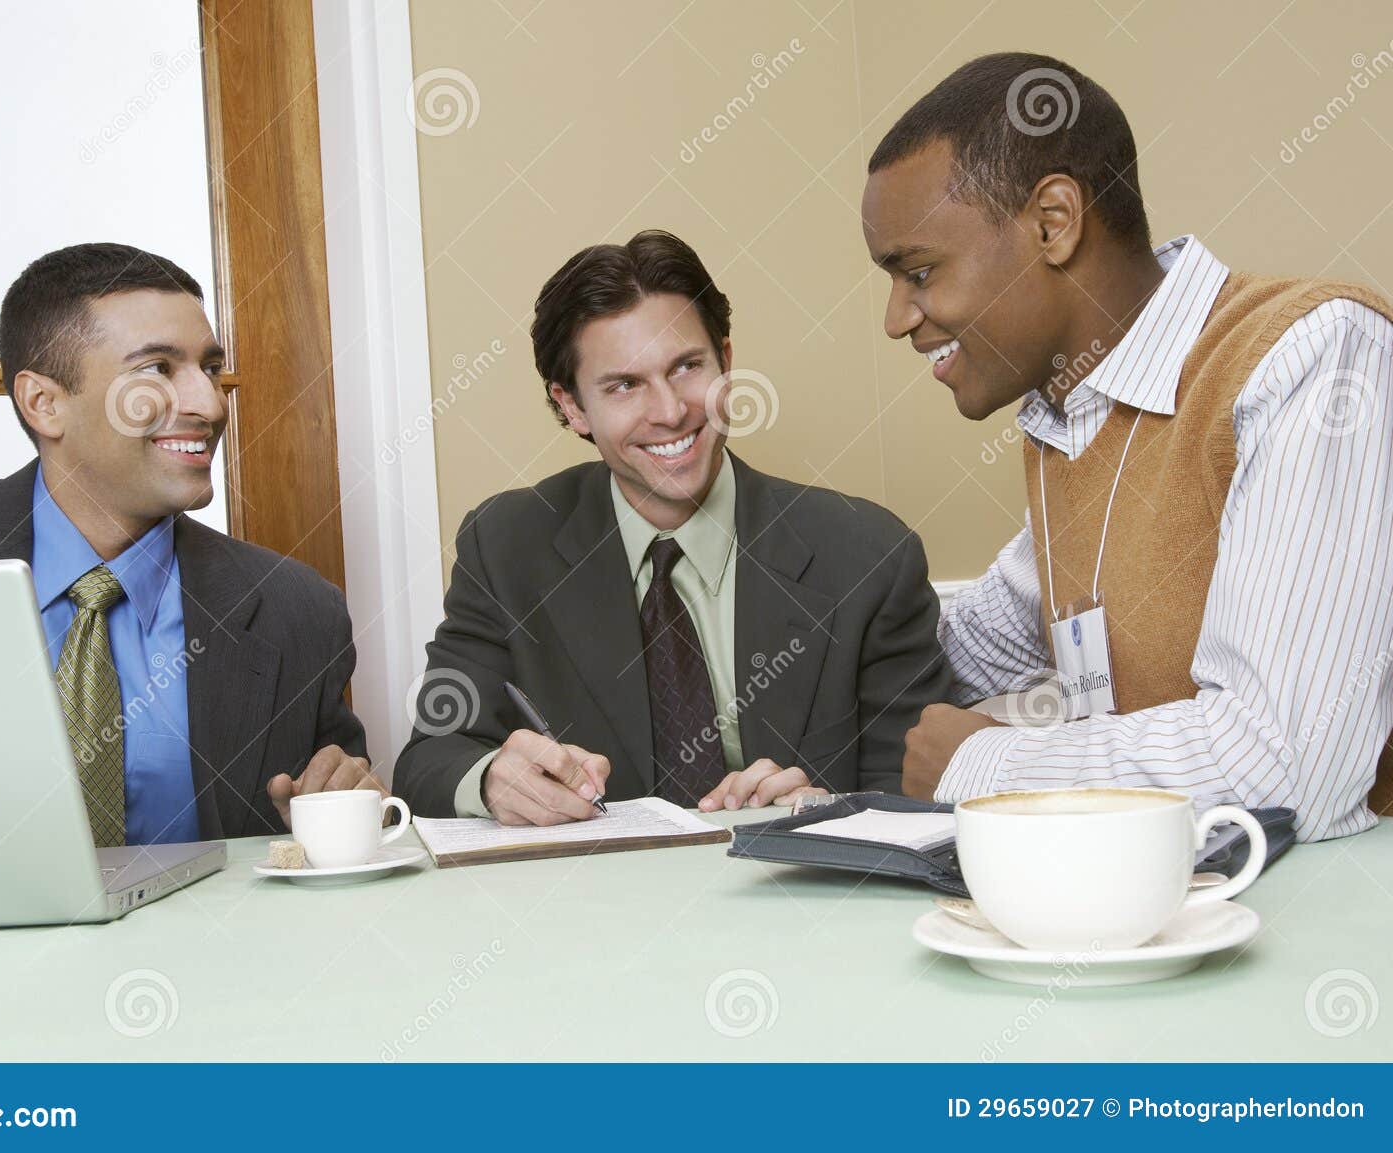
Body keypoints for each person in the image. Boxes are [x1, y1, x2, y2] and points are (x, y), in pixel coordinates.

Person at [861, 53, 1393, 841]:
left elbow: (1287, 765)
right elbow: (964, 643)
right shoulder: (1070, 420)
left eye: (919, 271)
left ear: (1053, 221)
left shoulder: (1311, 358)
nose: (898, 317)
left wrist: (985, 767)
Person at [0, 243, 378, 845]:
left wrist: (342, 813)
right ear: (44, 404)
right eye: (156, 369)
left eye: (208, 368)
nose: (209, 404)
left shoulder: (298, 610)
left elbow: (326, 839)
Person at [395, 230, 951, 823]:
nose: (669, 412)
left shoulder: (869, 556)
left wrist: (829, 812)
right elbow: (432, 756)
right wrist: (490, 781)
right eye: (624, 386)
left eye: (687, 367)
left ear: (727, 363)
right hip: (595, 908)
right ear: (572, 406)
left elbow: (923, 796)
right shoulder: (505, 545)